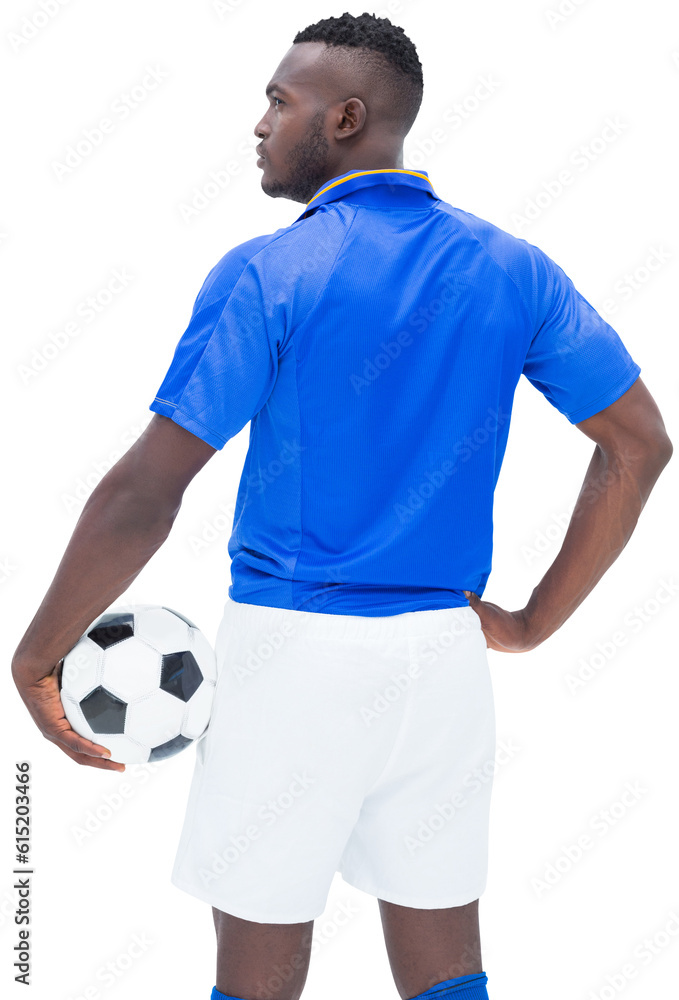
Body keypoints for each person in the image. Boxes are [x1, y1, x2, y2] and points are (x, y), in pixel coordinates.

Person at [11, 11, 673, 1000]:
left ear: (347, 118)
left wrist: (34, 654)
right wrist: (531, 624)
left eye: (281, 102)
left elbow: (143, 493)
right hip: (443, 663)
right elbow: (638, 443)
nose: (261, 123)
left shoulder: (271, 271)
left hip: (294, 661)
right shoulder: (512, 268)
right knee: (447, 964)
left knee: (260, 972)